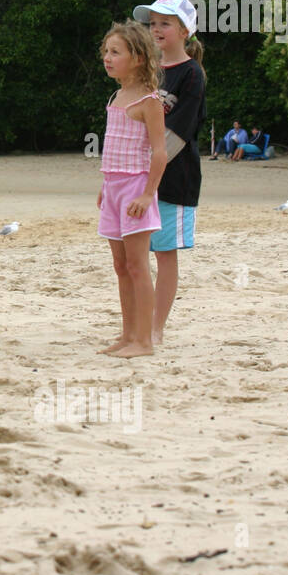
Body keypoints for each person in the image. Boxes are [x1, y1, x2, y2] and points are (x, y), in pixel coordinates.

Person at [133, 0, 207, 346]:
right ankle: (138, 323)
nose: (157, 29)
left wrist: (150, 179)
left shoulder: (192, 74)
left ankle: (156, 327)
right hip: (139, 177)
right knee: (135, 253)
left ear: (184, 31)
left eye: (165, 23)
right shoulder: (148, 70)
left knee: (164, 253)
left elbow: (177, 135)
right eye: (153, 23)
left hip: (174, 179)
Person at [96, 20, 167, 359]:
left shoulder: (150, 100)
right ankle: (127, 335)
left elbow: (160, 152)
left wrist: (146, 194)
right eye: (105, 52)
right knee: (120, 266)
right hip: (113, 188)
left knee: (138, 265)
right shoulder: (116, 95)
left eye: (115, 52)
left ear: (138, 58)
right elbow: (113, 147)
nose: (107, 58)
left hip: (135, 190)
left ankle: (145, 340)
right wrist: (104, 185)